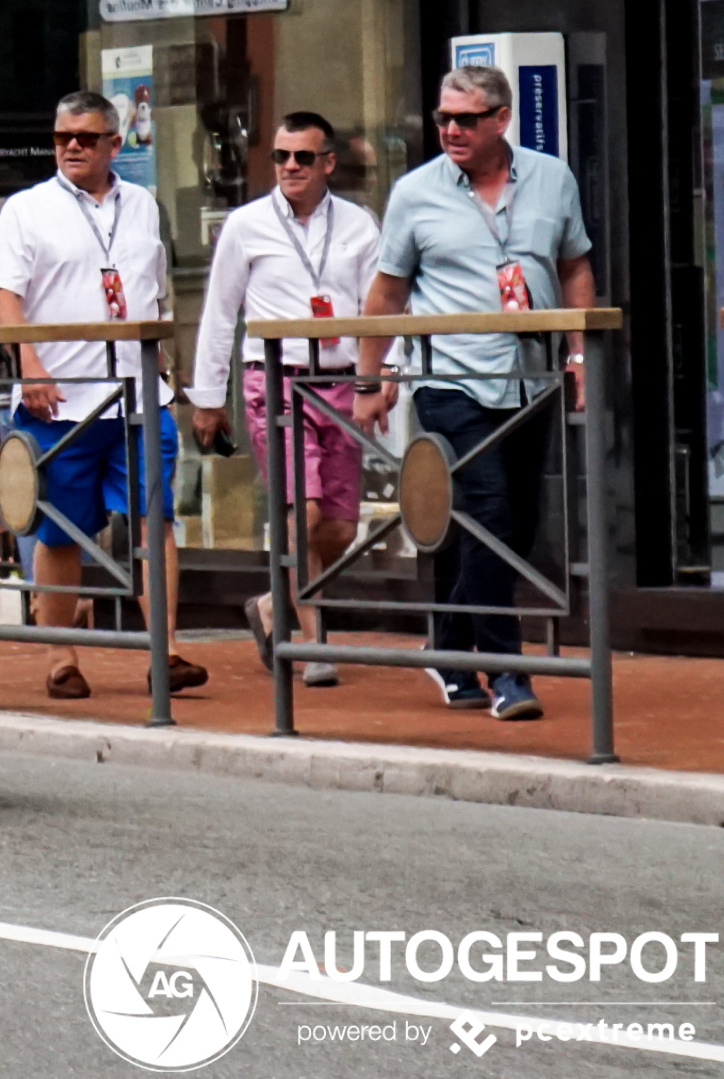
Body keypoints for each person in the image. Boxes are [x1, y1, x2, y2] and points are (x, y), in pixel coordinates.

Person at [354, 65, 592, 723]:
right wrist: (369, 380)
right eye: (442, 119)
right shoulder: (415, 192)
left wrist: (578, 352)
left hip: (526, 378)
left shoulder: (552, 177)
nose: (451, 130)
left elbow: (573, 265)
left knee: (514, 524)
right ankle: (508, 670)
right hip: (450, 378)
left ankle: (448, 641)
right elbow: (387, 291)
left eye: (465, 118)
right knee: (486, 513)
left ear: (502, 119)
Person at [0, 91, 203, 700]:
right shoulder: (27, 208)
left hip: (137, 391)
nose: (72, 146)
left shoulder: (144, 206)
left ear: (115, 142)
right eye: (61, 138)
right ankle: (61, 656)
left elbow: (156, 294)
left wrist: (172, 370)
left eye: (85, 137)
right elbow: (4, 294)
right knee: (58, 531)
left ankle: (167, 650)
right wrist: (30, 365)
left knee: (154, 520)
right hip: (60, 396)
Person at [190, 112, 383, 689]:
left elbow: (382, 309)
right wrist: (207, 397)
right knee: (307, 509)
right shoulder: (246, 225)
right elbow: (220, 313)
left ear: (328, 162)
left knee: (342, 528)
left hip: (344, 380)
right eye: (281, 157)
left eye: (303, 157)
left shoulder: (358, 223)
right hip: (274, 380)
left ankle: (273, 606)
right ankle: (315, 639)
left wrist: (385, 374)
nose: (290, 167)